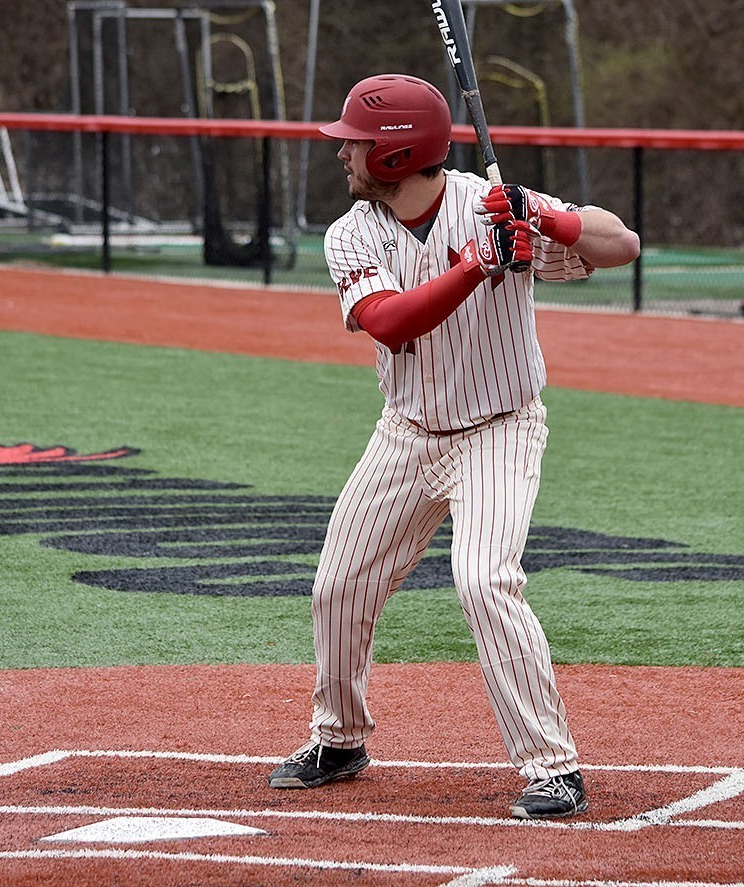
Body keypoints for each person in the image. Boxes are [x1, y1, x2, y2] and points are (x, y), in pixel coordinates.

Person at [266, 73, 640, 820]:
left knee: (483, 580)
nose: (342, 155)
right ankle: (339, 739)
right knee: (339, 585)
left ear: (396, 155)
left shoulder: (493, 204)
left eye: (355, 144)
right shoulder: (352, 233)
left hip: (500, 429)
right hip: (406, 434)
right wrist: (476, 264)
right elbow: (390, 322)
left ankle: (551, 766)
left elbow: (621, 244)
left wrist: (544, 219)